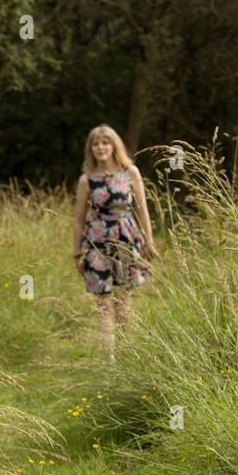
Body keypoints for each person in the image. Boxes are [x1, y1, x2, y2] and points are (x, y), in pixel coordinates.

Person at [72, 125, 159, 360]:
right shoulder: (86, 180)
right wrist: (77, 253)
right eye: (96, 143)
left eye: (105, 143)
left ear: (113, 146)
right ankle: (109, 359)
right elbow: (79, 219)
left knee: (123, 299)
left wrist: (149, 242)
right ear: (90, 148)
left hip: (126, 239)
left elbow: (142, 210)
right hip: (97, 243)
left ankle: (125, 352)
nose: (100, 147)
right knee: (103, 301)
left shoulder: (130, 172)